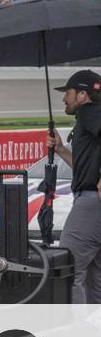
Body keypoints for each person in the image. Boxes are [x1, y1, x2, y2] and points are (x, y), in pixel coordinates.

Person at [45, 69, 101, 304]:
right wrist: (60, 149)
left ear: (82, 95)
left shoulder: (90, 112)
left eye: (67, 92)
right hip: (91, 200)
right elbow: (84, 166)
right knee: (95, 276)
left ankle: (77, 325)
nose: (63, 99)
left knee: (68, 267)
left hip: (91, 203)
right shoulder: (89, 117)